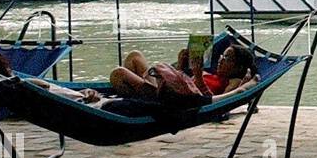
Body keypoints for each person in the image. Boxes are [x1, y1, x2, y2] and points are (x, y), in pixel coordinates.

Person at [109, 43, 257, 105]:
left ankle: (136, 101)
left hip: (170, 101)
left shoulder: (233, 82)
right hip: (168, 90)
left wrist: (198, 76)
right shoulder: (212, 74)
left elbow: (208, 100)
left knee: (119, 73)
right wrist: (181, 64)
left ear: (238, 67)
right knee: (135, 56)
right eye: (222, 56)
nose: (220, 60)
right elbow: (183, 84)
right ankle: (135, 96)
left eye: (227, 58)